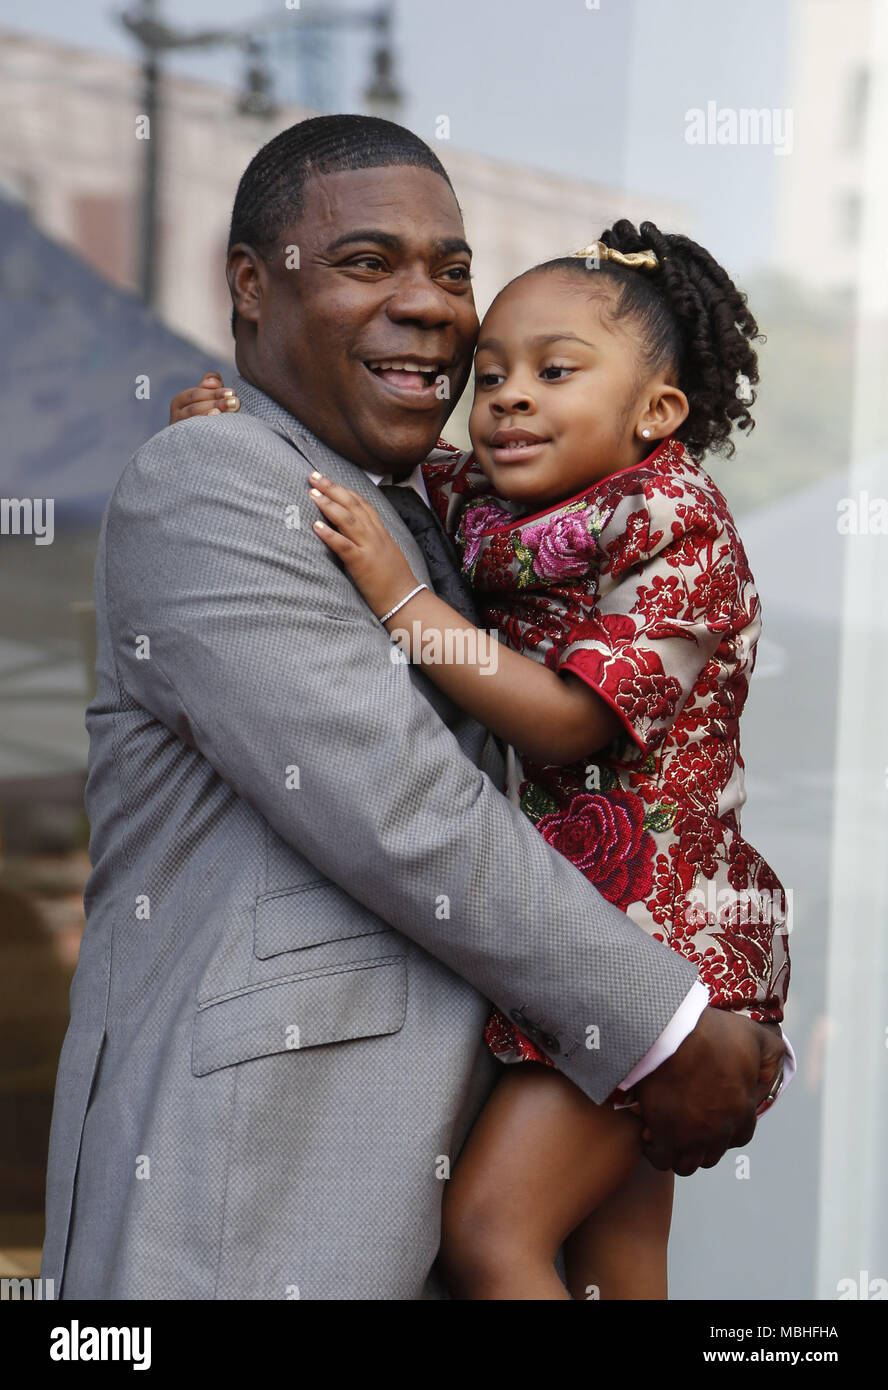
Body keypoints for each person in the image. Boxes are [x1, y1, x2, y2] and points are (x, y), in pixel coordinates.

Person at [43, 116, 786, 1301]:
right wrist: (664, 1023)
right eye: (367, 262)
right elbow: (406, 806)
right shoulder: (218, 478)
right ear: (251, 286)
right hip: (248, 1220)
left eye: (452, 271)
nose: (435, 307)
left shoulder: (437, 514)